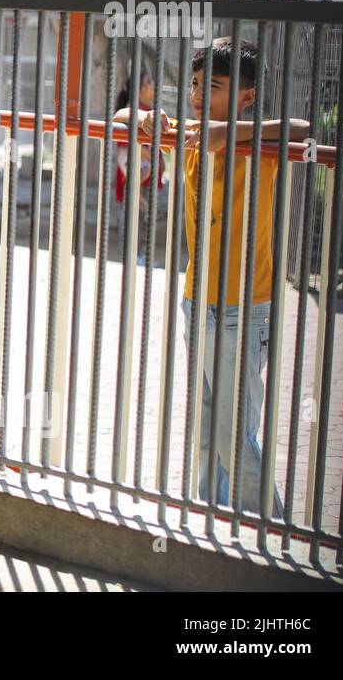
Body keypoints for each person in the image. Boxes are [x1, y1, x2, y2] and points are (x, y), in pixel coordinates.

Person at [115, 41, 308, 517]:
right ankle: (216, 519)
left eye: (213, 87)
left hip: (246, 307)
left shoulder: (258, 145)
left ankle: (275, 530)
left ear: (247, 95)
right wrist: (144, 121)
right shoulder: (188, 131)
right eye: (197, 85)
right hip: (196, 299)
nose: (199, 95)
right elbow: (120, 114)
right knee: (206, 427)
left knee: (231, 433)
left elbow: (302, 128)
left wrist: (231, 133)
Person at [112, 68, 166, 263]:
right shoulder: (133, 110)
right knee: (131, 215)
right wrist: (152, 157)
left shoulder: (149, 111)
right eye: (150, 82)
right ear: (141, 88)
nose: (153, 85)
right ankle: (129, 256)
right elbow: (126, 140)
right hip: (134, 173)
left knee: (143, 215)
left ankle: (140, 255)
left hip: (147, 173)